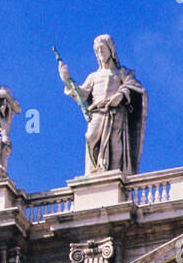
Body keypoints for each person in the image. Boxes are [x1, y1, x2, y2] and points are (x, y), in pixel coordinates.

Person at [58, 35, 147, 176]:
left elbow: (134, 87)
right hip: (98, 112)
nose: (100, 53)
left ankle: (114, 174)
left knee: (114, 143)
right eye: (97, 51)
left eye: (102, 49)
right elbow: (81, 94)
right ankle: (96, 170)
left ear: (111, 50)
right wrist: (67, 80)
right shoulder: (93, 76)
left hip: (116, 112)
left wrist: (122, 94)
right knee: (90, 137)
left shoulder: (122, 72)